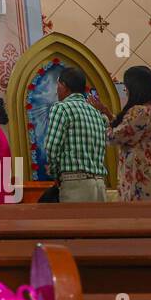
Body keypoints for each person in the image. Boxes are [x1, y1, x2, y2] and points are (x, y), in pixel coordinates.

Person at [108, 66, 151, 201]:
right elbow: (131, 130)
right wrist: (110, 115)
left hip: (143, 179)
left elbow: (115, 137)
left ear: (135, 88)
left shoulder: (141, 111)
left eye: (126, 87)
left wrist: (103, 122)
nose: (126, 92)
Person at [44, 66, 109, 202]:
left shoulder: (61, 108)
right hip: (99, 185)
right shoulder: (96, 113)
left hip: (75, 185)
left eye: (58, 85)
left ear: (64, 86)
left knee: (75, 223)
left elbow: (51, 148)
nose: (57, 90)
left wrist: (56, 175)